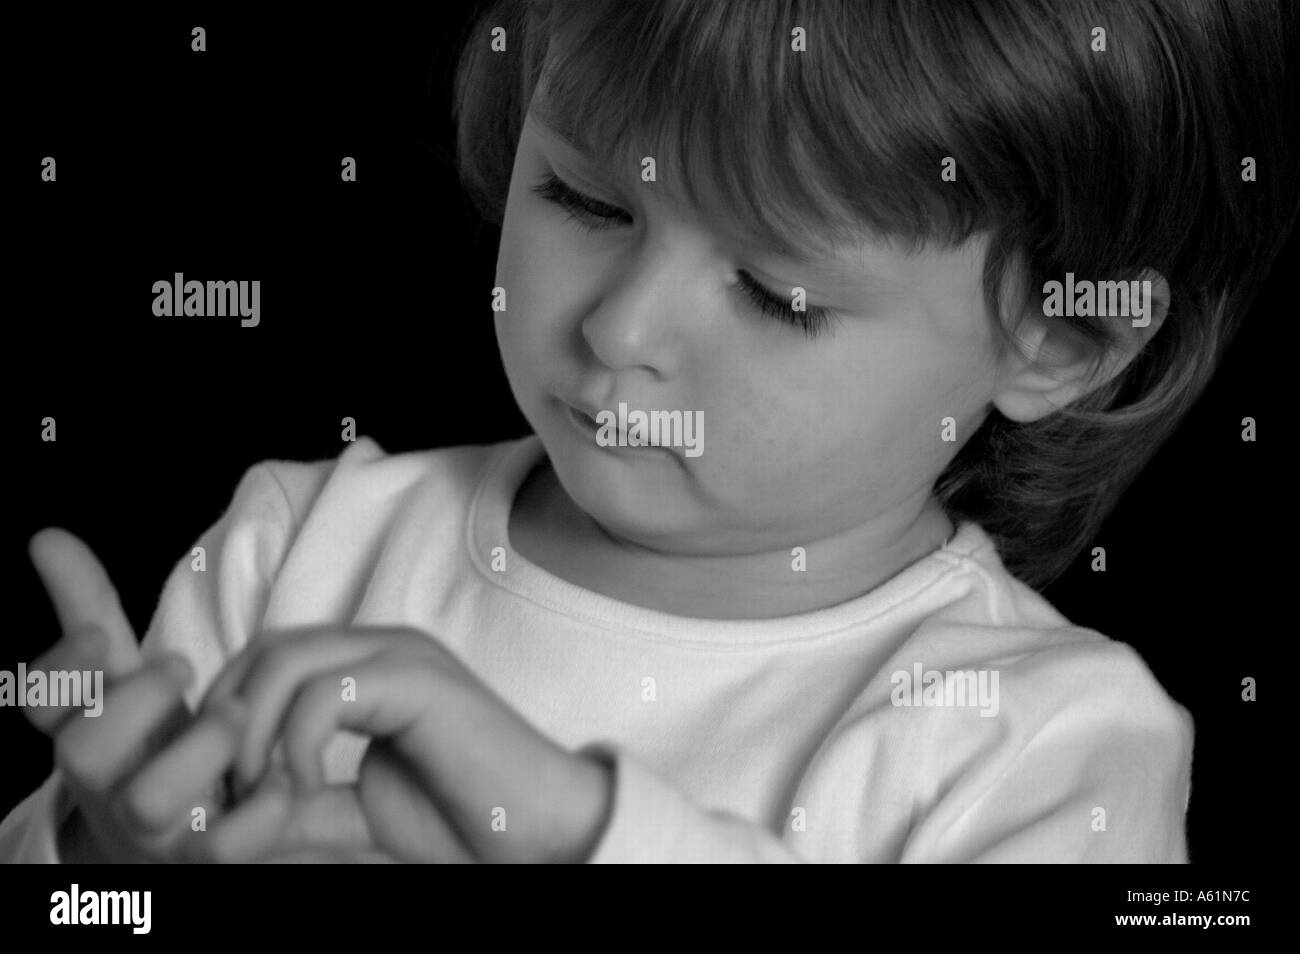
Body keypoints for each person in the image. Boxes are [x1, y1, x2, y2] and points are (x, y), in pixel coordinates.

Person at [3, 0, 1295, 862]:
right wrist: (109, 857)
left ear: (1057, 337)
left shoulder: (1047, 742)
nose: (620, 328)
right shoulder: (303, 547)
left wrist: (580, 832)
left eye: (776, 293)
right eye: (583, 196)